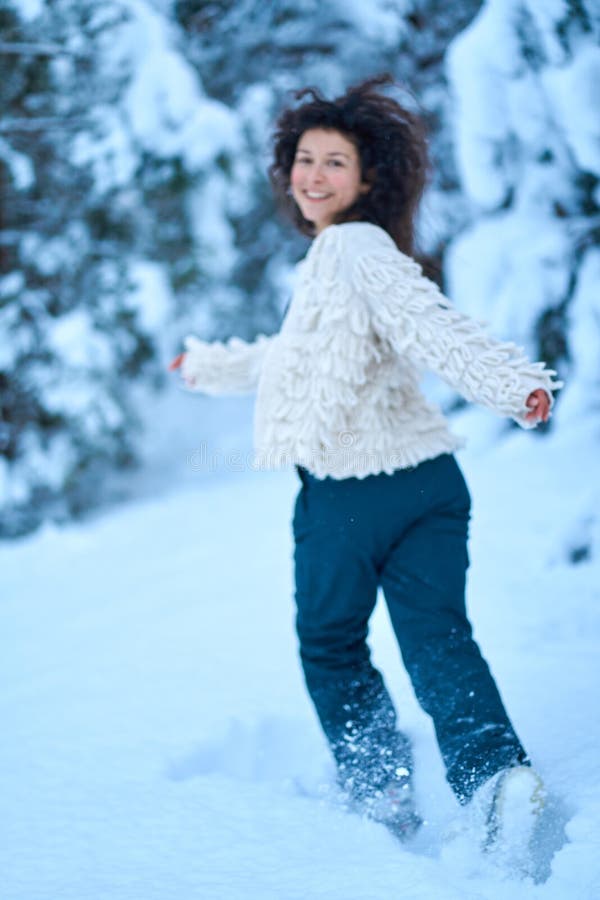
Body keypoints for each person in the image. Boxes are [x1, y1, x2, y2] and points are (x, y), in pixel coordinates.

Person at [170, 76, 561, 849]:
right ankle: (495, 785)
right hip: (430, 487)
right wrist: (208, 367)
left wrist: (510, 384)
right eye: (303, 159)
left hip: (347, 502)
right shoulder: (339, 261)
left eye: (334, 162)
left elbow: (431, 322)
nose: (313, 175)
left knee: (331, 643)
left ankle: (379, 784)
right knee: (438, 638)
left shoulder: (352, 247)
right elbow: (287, 359)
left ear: (368, 178)